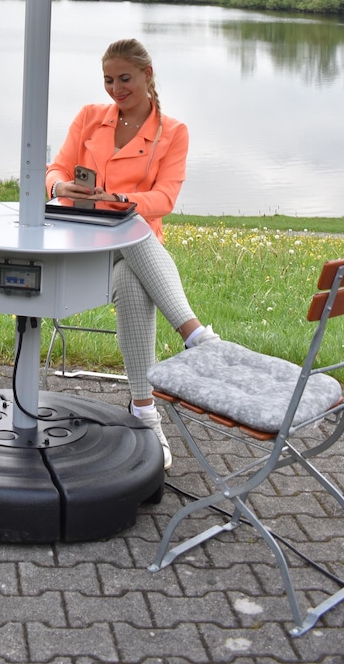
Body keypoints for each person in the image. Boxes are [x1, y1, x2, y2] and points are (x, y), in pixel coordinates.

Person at [45, 37, 218, 468]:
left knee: (132, 267)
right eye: (108, 80)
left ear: (147, 75)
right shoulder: (89, 118)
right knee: (136, 235)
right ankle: (196, 335)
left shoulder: (173, 132)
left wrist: (120, 200)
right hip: (83, 240)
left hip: (132, 245)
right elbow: (55, 169)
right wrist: (58, 187)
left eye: (124, 78)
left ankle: (143, 410)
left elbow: (165, 198)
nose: (116, 89)